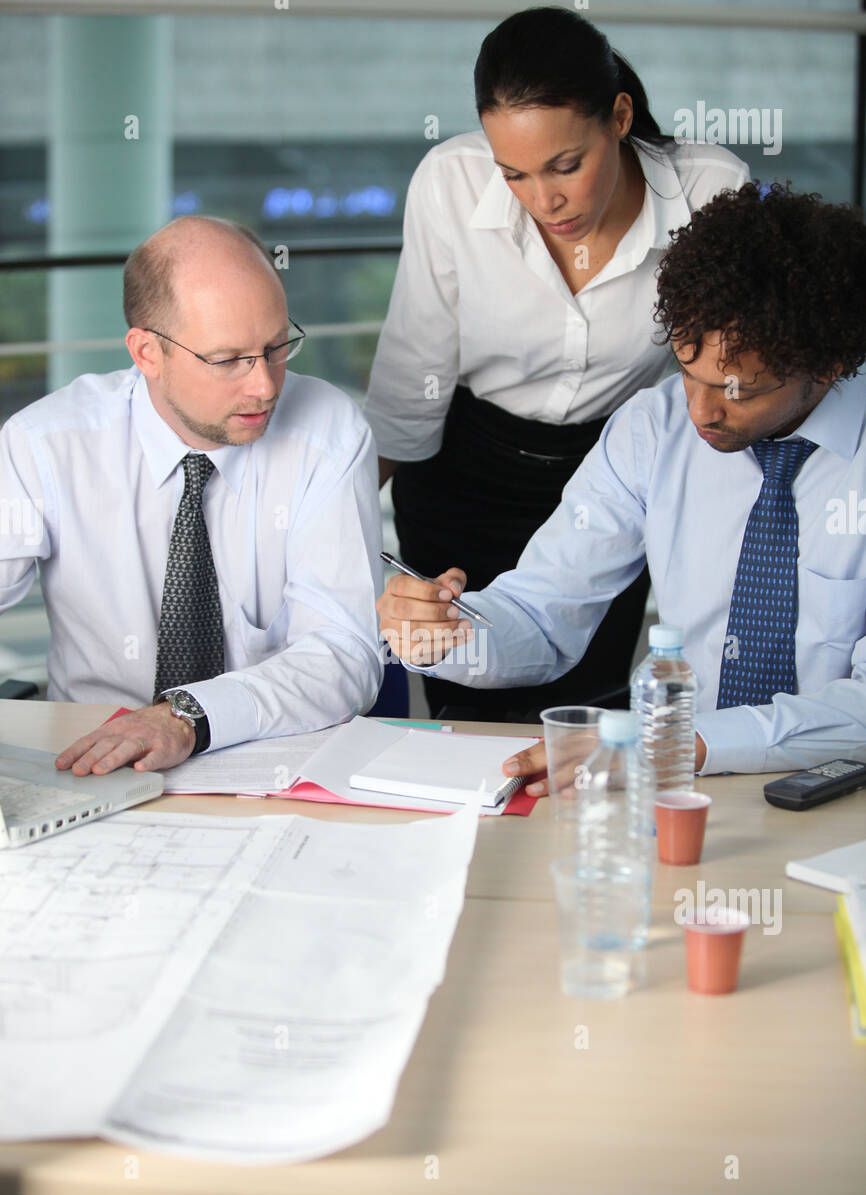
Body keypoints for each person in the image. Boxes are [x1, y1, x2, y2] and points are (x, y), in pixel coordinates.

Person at [376, 184, 866, 789]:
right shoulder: (652, 429)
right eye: (688, 372)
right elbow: (543, 610)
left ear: (830, 365)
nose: (701, 412)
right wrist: (447, 632)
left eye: (738, 389)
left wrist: (670, 744)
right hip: (675, 784)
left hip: (842, 794)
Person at [365, 5, 748, 721]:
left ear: (621, 116)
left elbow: (731, 373)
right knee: (470, 704)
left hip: (604, 480)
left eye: (566, 165)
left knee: (588, 717)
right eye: (515, 174)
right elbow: (406, 393)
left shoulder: (708, 192)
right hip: (463, 479)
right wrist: (325, 534)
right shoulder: (448, 184)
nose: (545, 200)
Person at [0, 216, 383, 774]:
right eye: (228, 360)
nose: (266, 385)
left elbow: (345, 653)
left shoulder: (327, 432)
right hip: (90, 759)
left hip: (269, 755)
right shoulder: (47, 443)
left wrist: (186, 717)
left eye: (277, 347)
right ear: (147, 352)